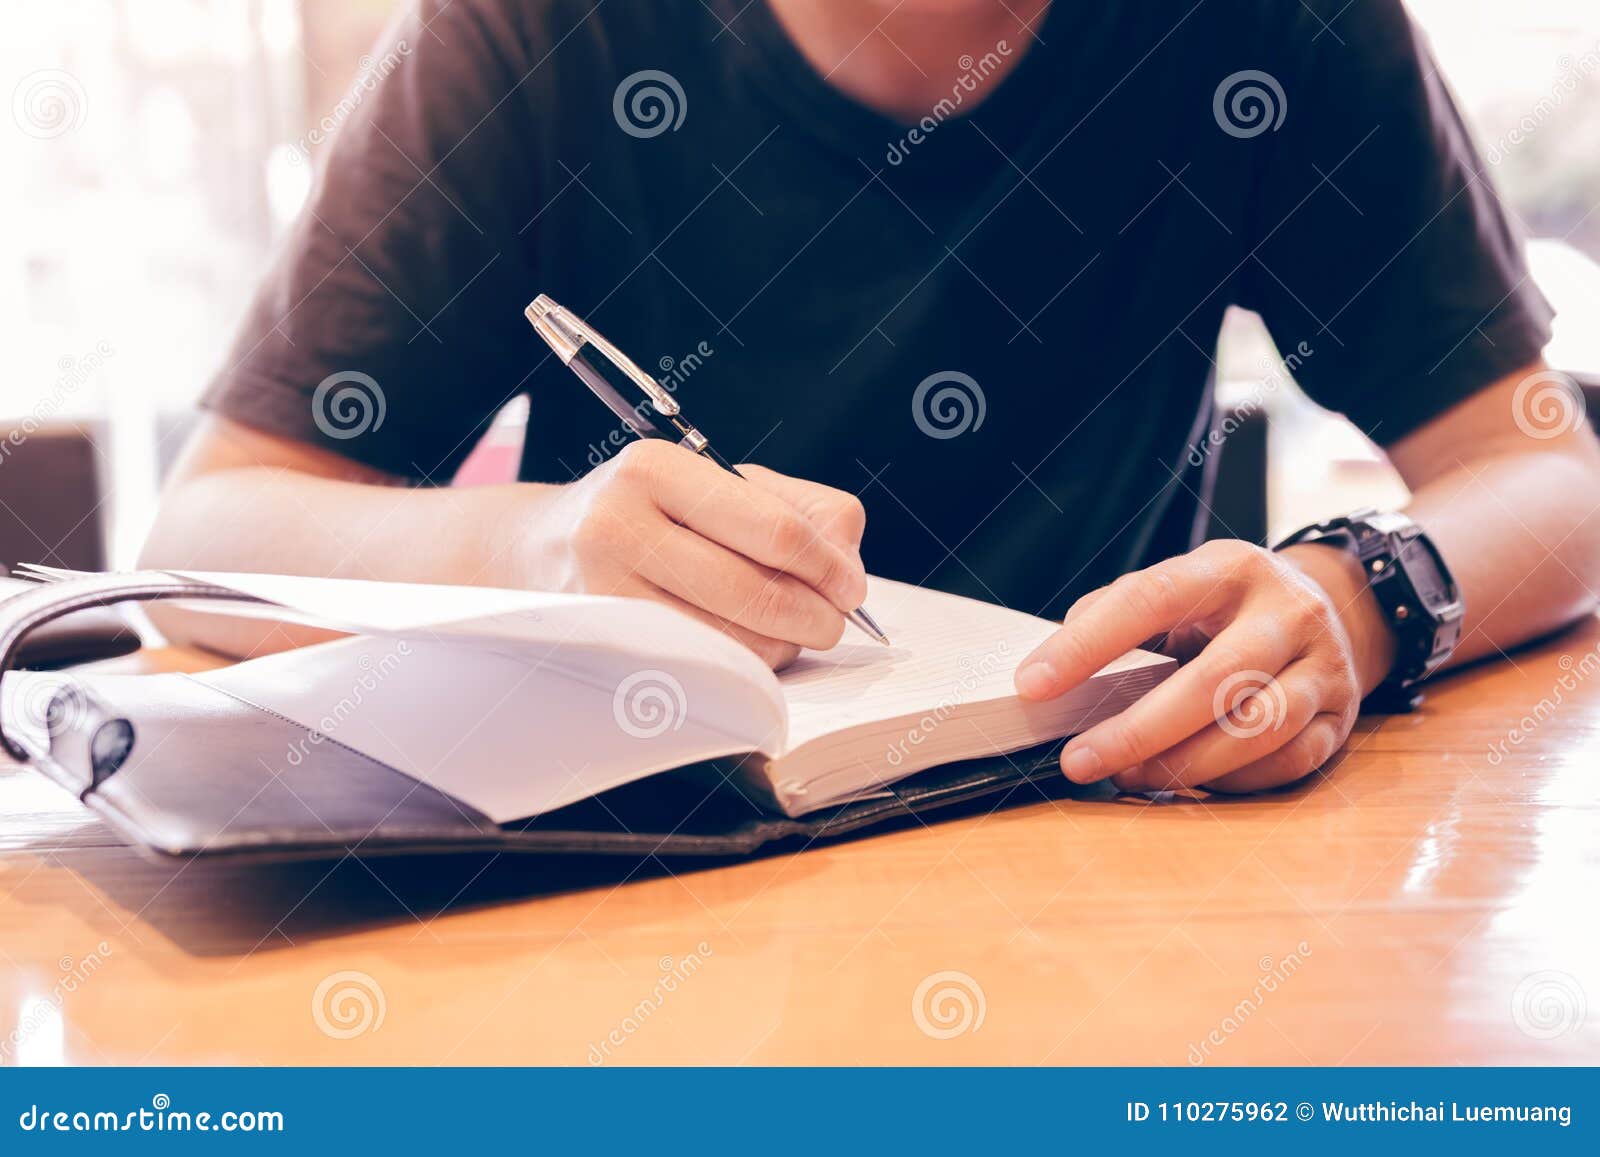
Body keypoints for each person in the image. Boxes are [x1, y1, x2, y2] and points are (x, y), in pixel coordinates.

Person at [141, 0, 1600, 795]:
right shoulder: (529, 32)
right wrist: (543, 547)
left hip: (1103, 840)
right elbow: (201, 533)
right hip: (625, 868)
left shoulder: (1272, 27)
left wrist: (1361, 596)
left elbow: (1550, 476)